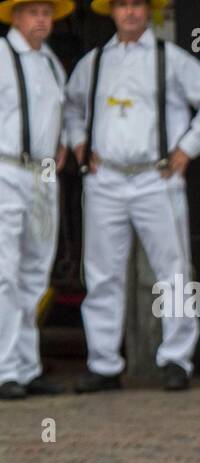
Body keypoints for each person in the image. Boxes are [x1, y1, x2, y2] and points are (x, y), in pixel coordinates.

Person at [64, 0, 200, 393]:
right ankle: (104, 363)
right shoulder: (94, 62)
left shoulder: (170, 58)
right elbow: (71, 108)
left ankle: (176, 358)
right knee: (102, 273)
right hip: (105, 179)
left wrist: (186, 147)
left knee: (172, 272)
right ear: (112, 12)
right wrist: (77, 143)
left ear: (148, 11)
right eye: (122, 5)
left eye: (137, 4)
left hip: (156, 177)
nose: (130, 12)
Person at [0, 0, 71, 401]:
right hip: (7, 168)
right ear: (16, 16)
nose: (42, 19)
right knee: (5, 272)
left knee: (34, 272)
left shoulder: (50, 62)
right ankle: (5, 367)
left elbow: (55, 112)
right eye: (33, 12)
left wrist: (60, 143)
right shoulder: (1, 56)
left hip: (43, 173)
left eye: (47, 13)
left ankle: (26, 367)